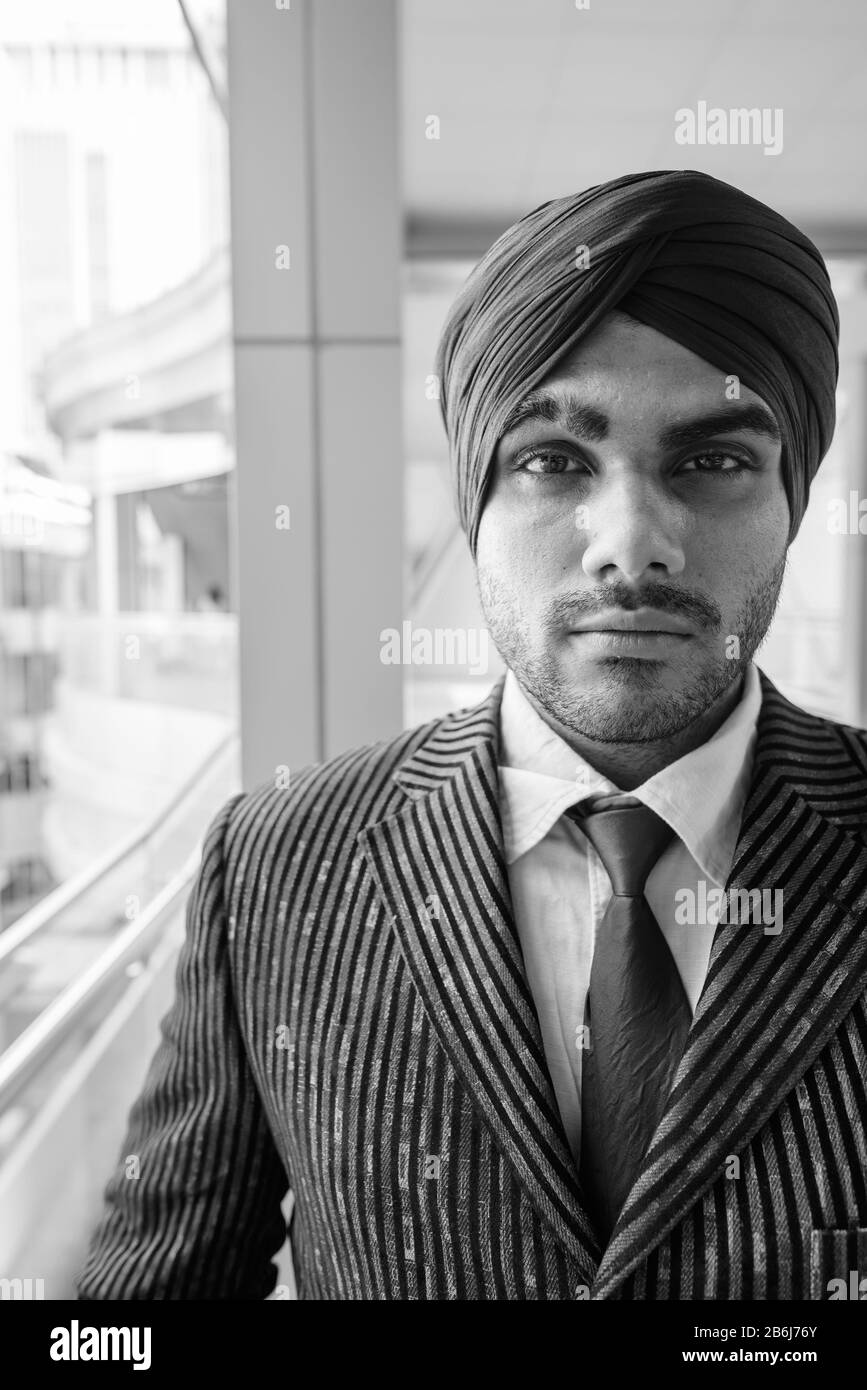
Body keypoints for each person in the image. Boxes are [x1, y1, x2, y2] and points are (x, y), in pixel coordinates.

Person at [76, 170, 866, 1302]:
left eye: (714, 459)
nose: (631, 546)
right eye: (553, 460)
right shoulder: (279, 867)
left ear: (793, 494)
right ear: (473, 500)